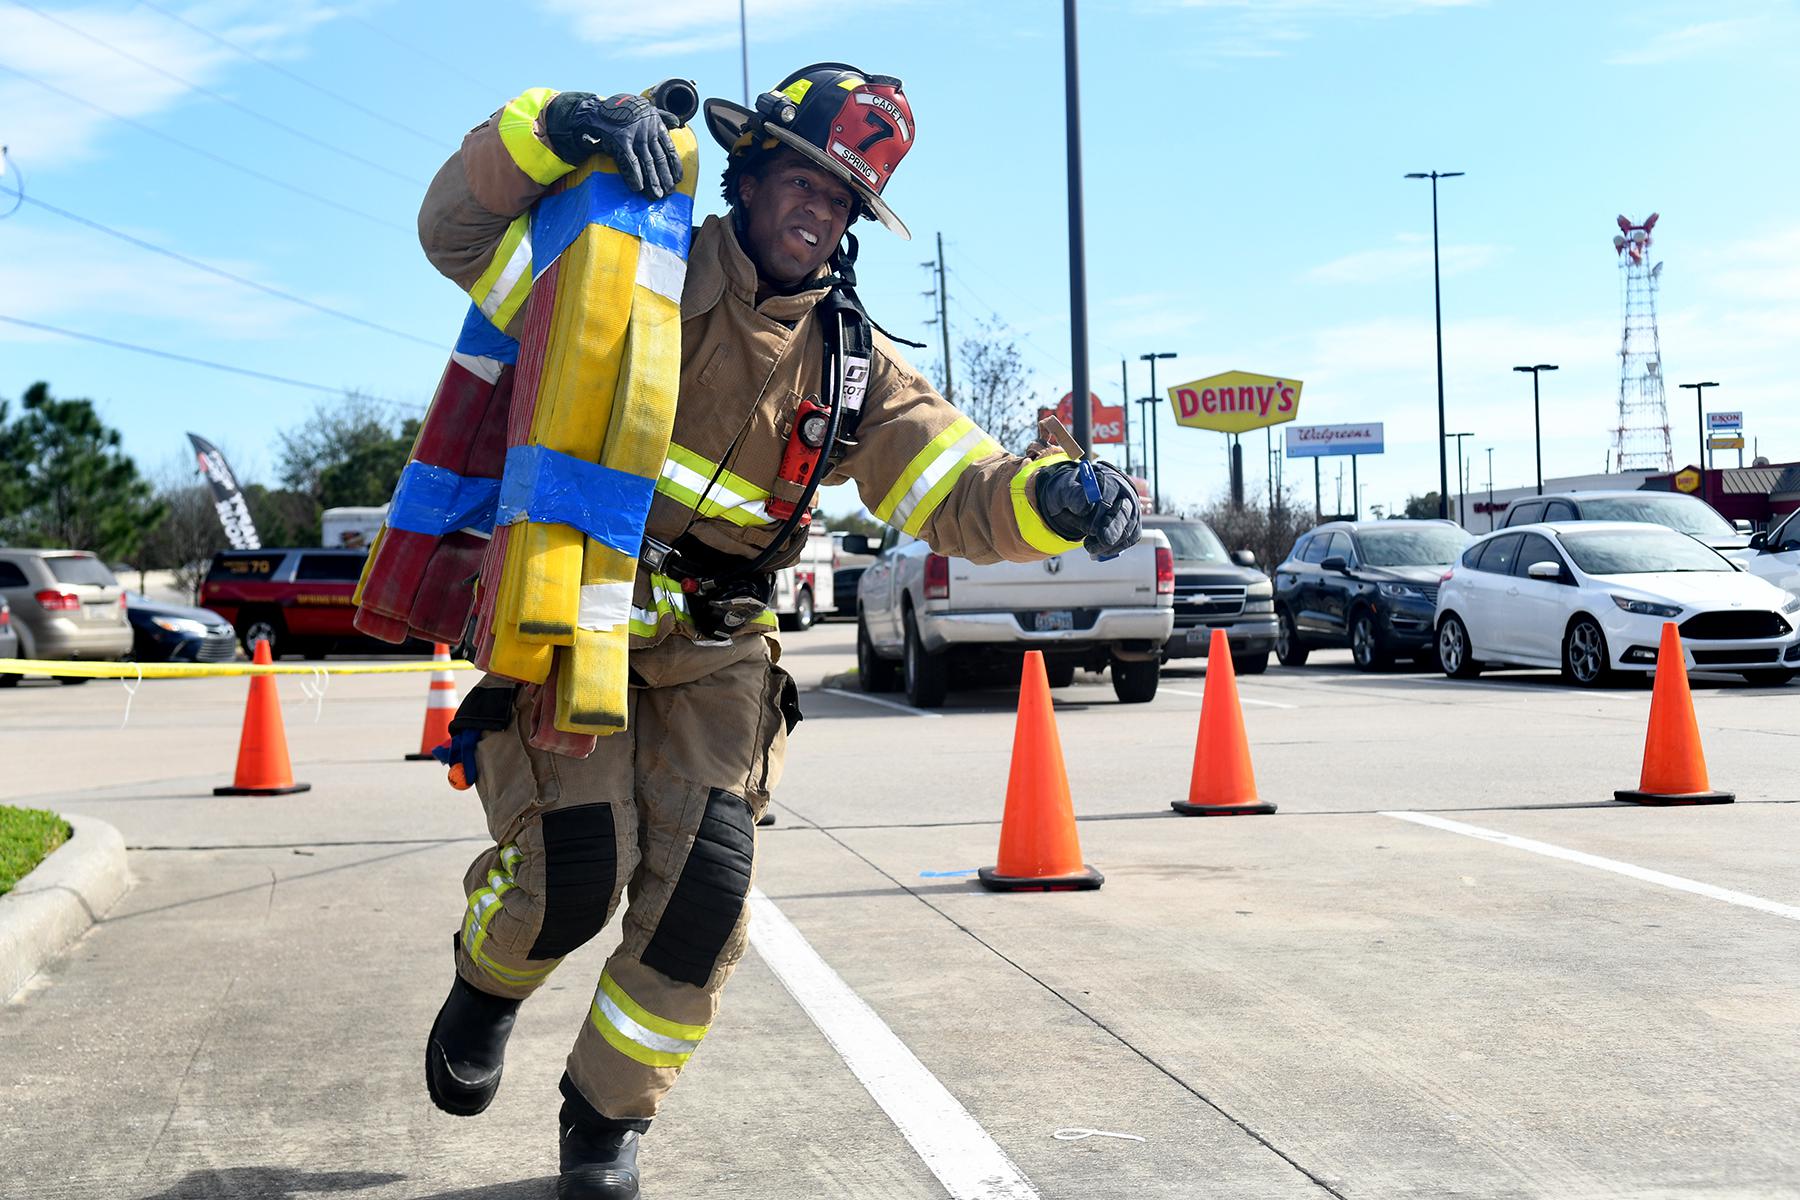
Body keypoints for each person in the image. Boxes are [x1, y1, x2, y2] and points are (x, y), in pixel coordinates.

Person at [416, 63, 1140, 1199]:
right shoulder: (618, 256)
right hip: (572, 618)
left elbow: (957, 483)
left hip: (718, 648)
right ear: (747, 175)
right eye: (804, 180)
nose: (820, 209)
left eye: (844, 198)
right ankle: (487, 985)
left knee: (704, 894)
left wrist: (1055, 498)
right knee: (570, 877)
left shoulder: (854, 366)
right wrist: (555, 132)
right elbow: (453, 229)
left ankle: (604, 1120)